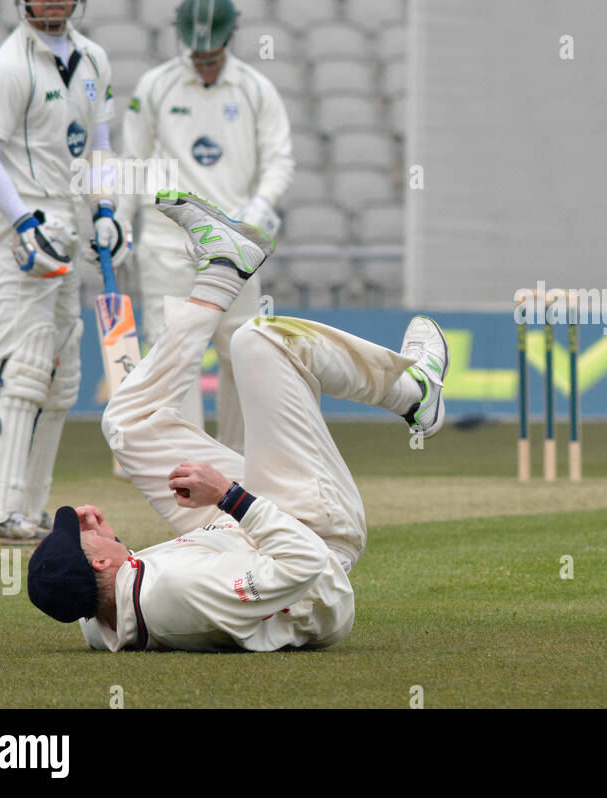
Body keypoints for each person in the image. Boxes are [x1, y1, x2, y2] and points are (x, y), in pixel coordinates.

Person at [27, 190, 448, 651]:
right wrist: (228, 496)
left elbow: (88, 602)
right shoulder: (175, 595)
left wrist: (104, 540)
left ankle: (224, 269)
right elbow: (303, 563)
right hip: (315, 536)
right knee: (259, 342)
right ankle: (415, 394)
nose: (82, 525)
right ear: (102, 567)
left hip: (239, 535)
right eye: (80, 539)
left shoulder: (101, 612)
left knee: (126, 424)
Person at [0, 0, 125, 544]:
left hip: (70, 223)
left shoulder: (94, 59)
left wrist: (107, 210)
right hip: (16, 232)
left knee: (60, 378)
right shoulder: (8, 65)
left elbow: (101, 145)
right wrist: (26, 221)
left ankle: (26, 509)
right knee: (15, 368)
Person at [121, 0, 294, 455]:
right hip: (167, 240)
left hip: (235, 246)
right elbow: (131, 161)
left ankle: (236, 467)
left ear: (231, 37)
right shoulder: (156, 86)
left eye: (212, 56)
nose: (204, 64)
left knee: (245, 352)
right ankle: (190, 468)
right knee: (177, 357)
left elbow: (279, 160)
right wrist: (118, 222)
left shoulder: (257, 90)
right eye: (197, 57)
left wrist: (256, 214)